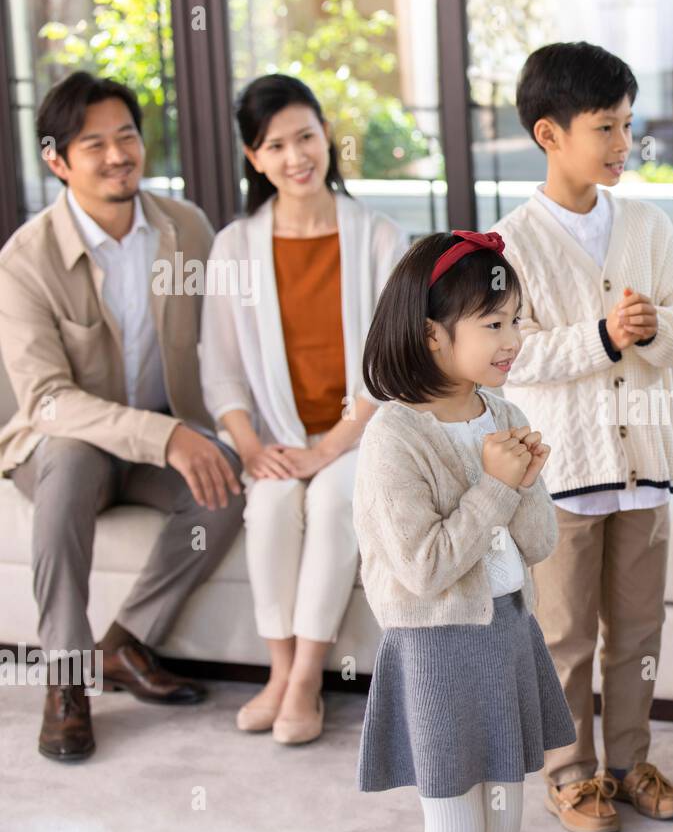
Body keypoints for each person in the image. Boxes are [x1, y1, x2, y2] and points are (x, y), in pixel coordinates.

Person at [491, 42, 673, 832]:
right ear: (549, 135)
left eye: (629, 125)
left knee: (639, 634)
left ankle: (629, 765)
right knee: (563, 638)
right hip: (562, 477)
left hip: (646, 470)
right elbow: (507, 352)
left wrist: (656, 328)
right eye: (606, 128)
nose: (625, 144)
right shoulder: (508, 243)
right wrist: (601, 336)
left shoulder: (649, 225)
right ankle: (570, 775)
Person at [0, 72, 244, 760]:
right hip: (60, 444)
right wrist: (164, 435)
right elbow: (47, 398)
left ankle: (124, 642)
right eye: (93, 143)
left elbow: (230, 337)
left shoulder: (185, 229)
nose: (117, 155)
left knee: (222, 480)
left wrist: (227, 430)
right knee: (72, 462)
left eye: (126, 135)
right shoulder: (25, 261)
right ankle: (67, 678)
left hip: (153, 441)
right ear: (57, 160)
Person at [200, 74, 406, 744]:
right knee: (268, 502)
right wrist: (250, 445)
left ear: (327, 136)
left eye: (307, 136)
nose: (297, 156)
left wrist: (330, 446)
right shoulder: (235, 246)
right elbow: (221, 367)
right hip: (281, 437)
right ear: (254, 158)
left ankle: (309, 677)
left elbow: (393, 362)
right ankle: (280, 671)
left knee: (330, 500)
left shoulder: (378, 238)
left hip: (364, 434)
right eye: (275, 145)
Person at [352, 230, 576, 832]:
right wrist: (499, 487)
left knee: (505, 815)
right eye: (493, 325)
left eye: (515, 321)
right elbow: (425, 570)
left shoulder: (506, 415)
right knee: (454, 818)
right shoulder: (394, 436)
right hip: (437, 645)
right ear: (432, 335)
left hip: (508, 626)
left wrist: (526, 484)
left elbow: (538, 544)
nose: (513, 341)